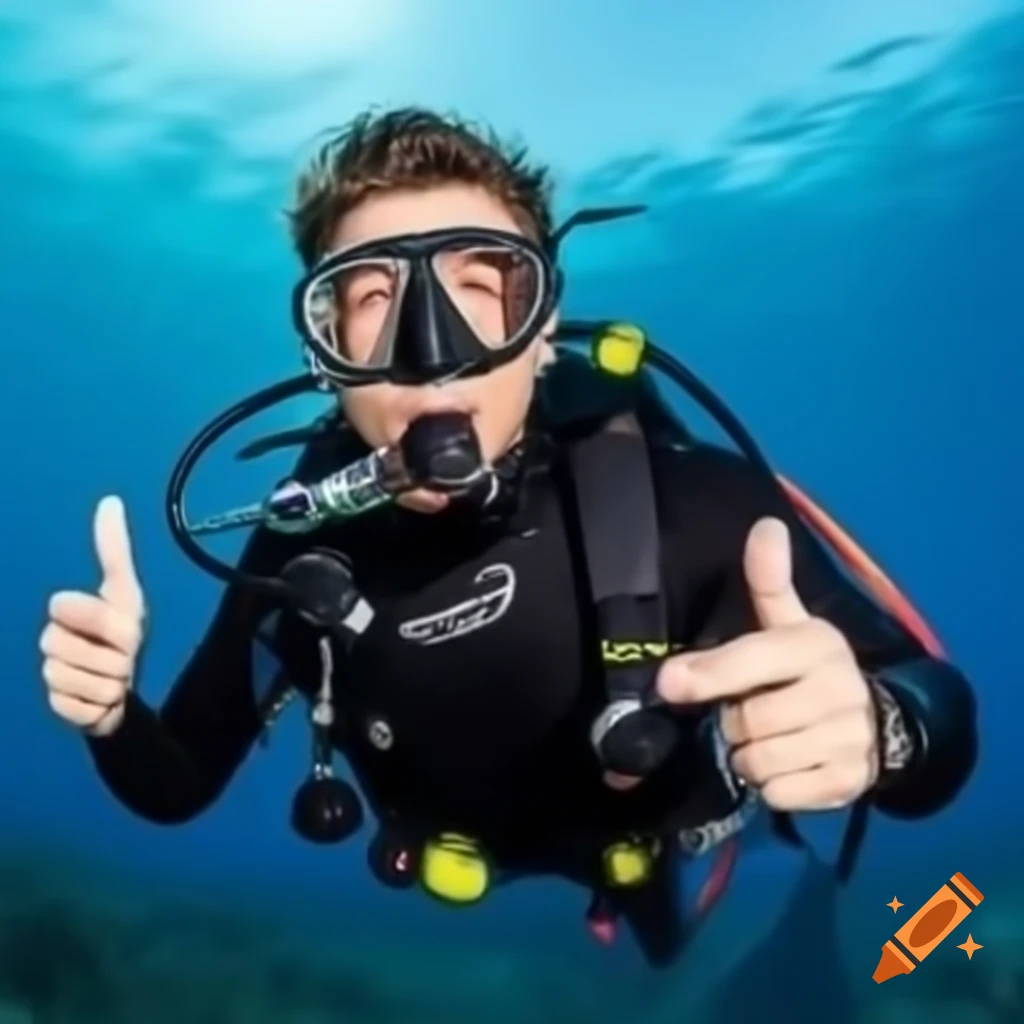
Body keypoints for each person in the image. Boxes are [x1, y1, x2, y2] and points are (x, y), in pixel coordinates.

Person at [38, 108, 977, 1003]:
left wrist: (884, 727)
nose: (432, 351)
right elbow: (176, 786)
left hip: (684, 857)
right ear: (321, 350)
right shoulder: (299, 551)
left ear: (539, 331)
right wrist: (111, 713)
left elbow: (936, 722)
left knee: (793, 962)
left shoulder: (685, 502)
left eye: (483, 287)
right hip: (462, 890)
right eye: (369, 298)